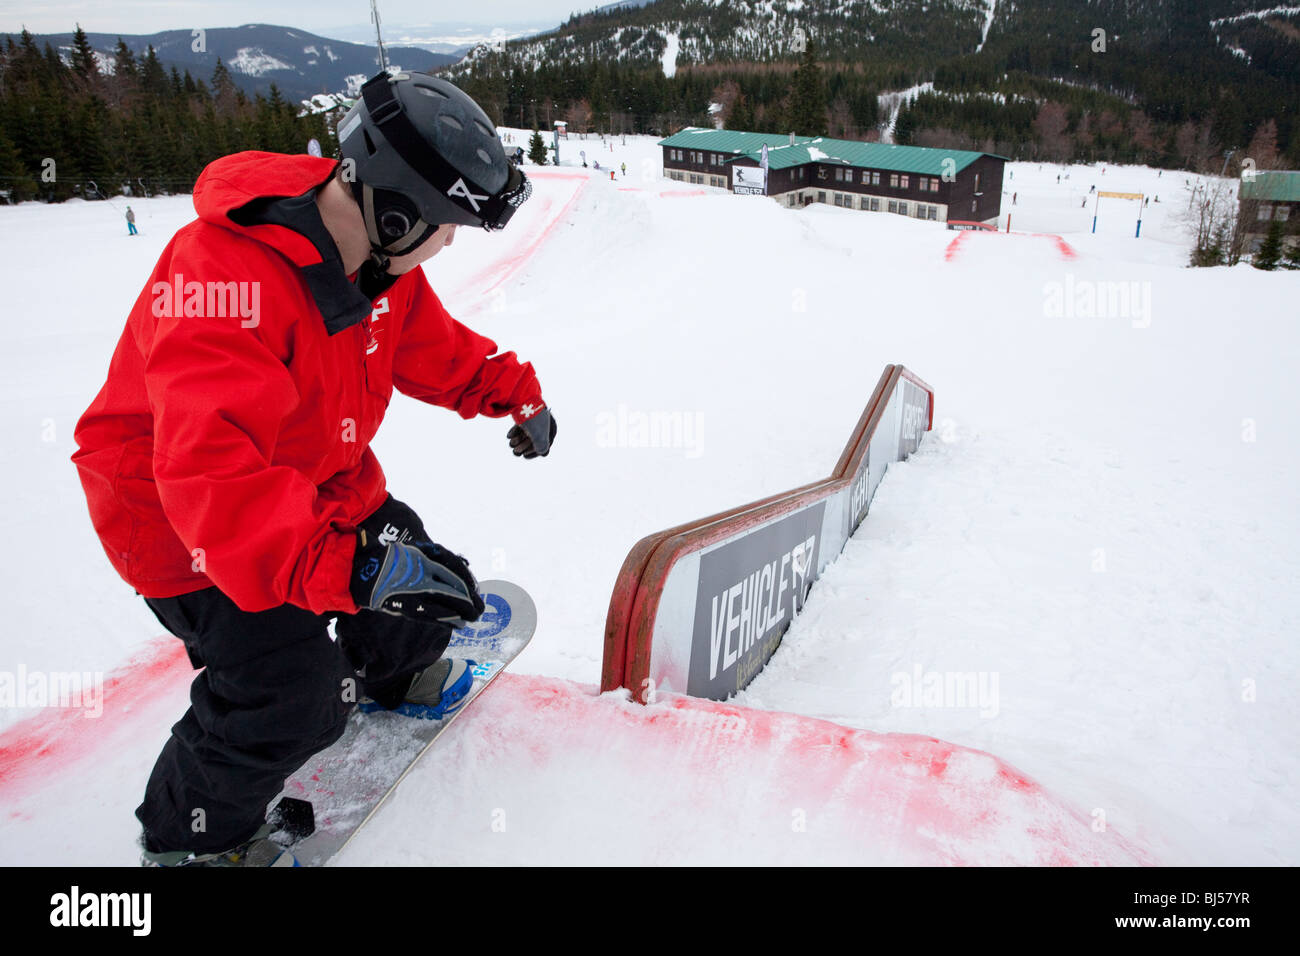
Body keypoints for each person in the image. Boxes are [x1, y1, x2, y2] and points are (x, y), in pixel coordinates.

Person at [72, 71, 554, 867]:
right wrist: (351, 569)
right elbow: (213, 477)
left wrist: (515, 396)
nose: (448, 245)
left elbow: (431, 344)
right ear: (397, 212)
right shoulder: (220, 279)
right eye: (446, 227)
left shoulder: (379, 260)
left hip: (315, 474)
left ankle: (396, 670)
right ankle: (193, 836)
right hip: (180, 520)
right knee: (288, 693)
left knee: (417, 564)